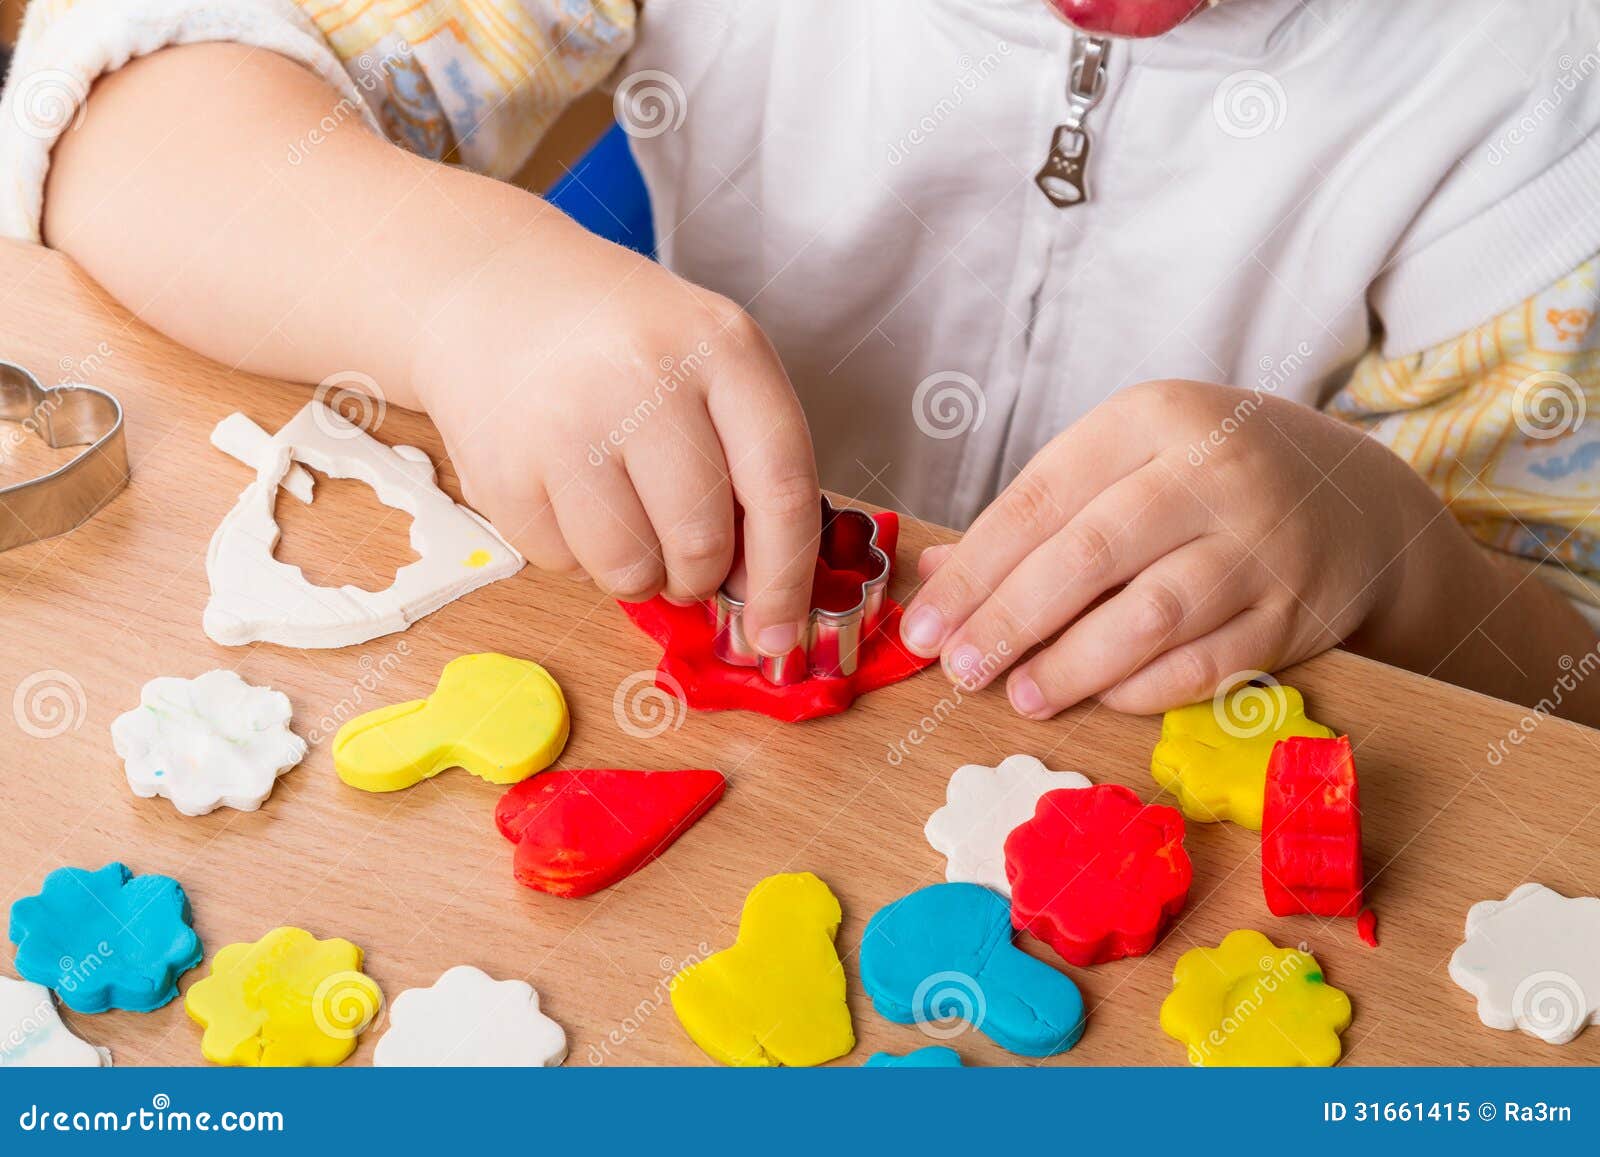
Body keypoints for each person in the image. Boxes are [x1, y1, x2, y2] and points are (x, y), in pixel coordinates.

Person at [6, 0, 1600, 723]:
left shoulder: (1540, 78)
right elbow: (118, 112)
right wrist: (466, 288)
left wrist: (1387, 551)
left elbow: (1566, 678)